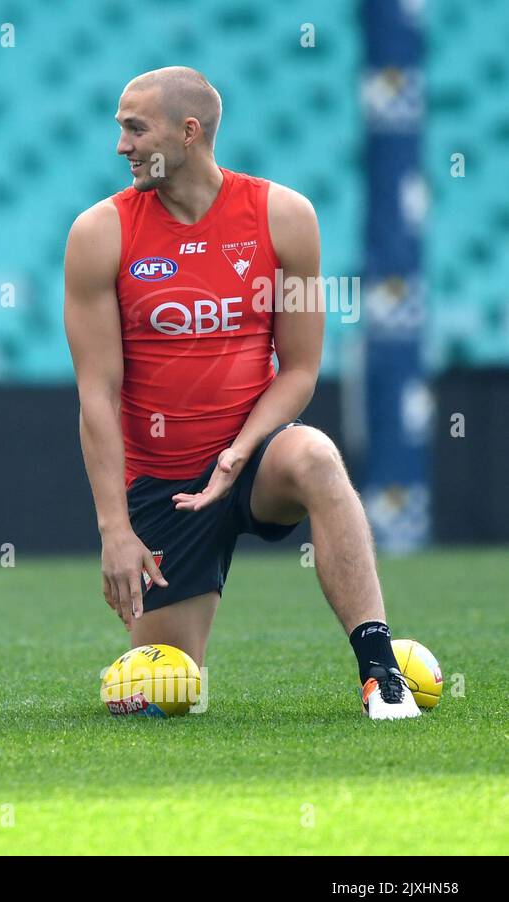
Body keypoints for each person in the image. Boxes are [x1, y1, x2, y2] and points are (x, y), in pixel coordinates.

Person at [63, 67, 417, 719]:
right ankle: (167, 652)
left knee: (313, 454)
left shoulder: (287, 218)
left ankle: (380, 672)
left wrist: (240, 452)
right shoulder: (98, 235)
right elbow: (96, 394)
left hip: (255, 463)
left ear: (187, 133)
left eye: (135, 129)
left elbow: (301, 370)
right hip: (164, 489)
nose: (122, 147)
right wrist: (115, 529)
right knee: (166, 692)